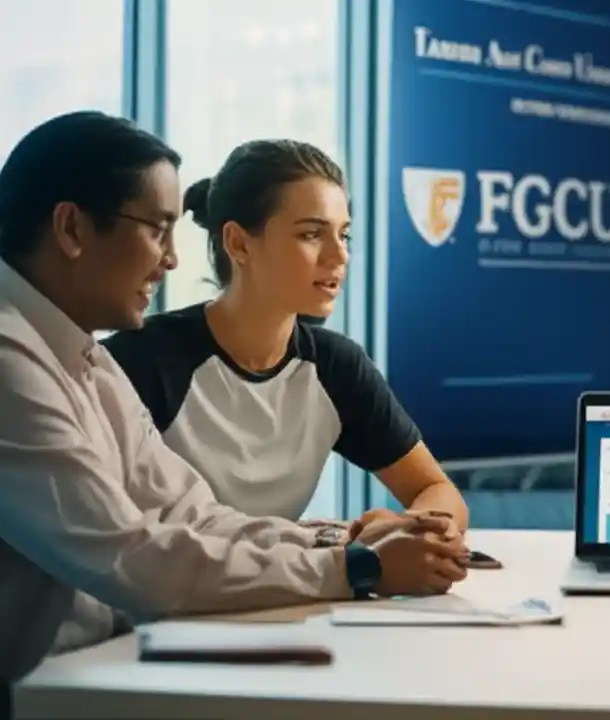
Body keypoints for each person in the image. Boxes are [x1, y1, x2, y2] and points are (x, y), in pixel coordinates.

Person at [0, 111, 464, 684]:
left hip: (107, 673)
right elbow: (135, 558)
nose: (170, 259)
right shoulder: (13, 366)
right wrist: (356, 566)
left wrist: (340, 541)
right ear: (71, 229)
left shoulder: (78, 358)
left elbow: (190, 514)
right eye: (155, 230)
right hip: (48, 692)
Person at [102, 140, 469, 543]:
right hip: (161, 601)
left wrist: (409, 527)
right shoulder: (140, 362)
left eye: (343, 234)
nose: (339, 255)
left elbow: (437, 492)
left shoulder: (336, 367)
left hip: (280, 597)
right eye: (312, 234)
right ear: (239, 244)